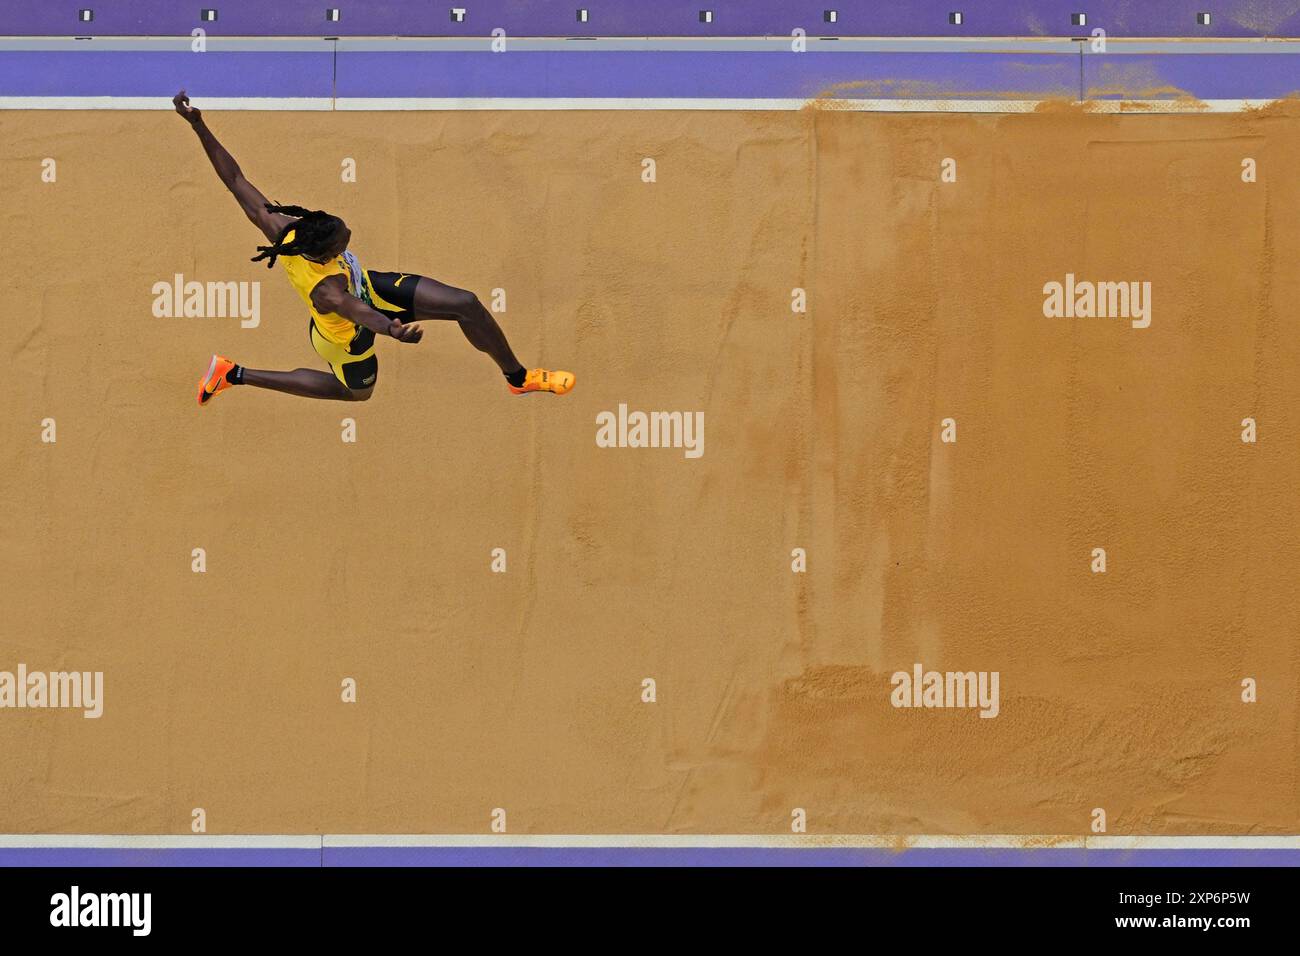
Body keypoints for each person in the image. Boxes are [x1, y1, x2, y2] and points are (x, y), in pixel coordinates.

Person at [174, 91, 575, 405]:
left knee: (466, 303)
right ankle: (235, 374)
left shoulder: (288, 229)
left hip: (366, 287)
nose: (349, 235)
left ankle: (518, 379)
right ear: (322, 256)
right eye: (342, 240)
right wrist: (392, 329)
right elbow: (359, 311)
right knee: (356, 393)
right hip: (348, 333)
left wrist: (199, 127)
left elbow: (235, 180)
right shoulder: (325, 290)